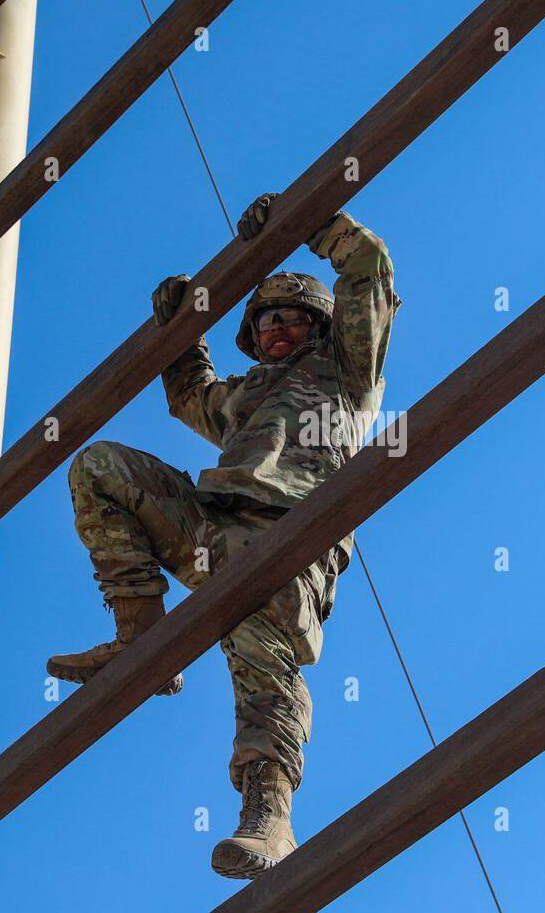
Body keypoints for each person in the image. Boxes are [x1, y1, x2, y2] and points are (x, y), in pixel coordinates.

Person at [47, 192, 400, 878]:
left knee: (261, 660)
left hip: (289, 538)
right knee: (99, 467)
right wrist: (181, 323)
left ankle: (270, 815)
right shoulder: (245, 397)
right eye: (265, 322)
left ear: (320, 326)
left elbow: (370, 268)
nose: (276, 331)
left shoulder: (347, 372)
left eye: (292, 319)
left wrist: (310, 219)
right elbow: (188, 392)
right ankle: (140, 633)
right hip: (212, 528)